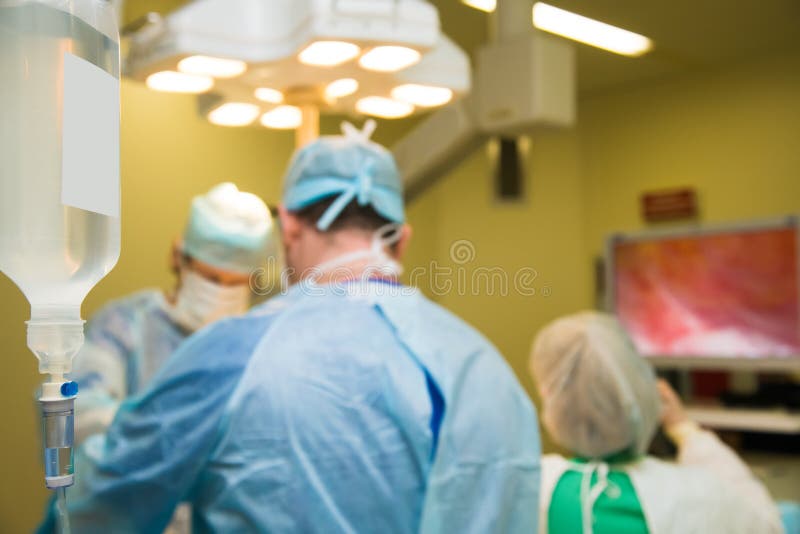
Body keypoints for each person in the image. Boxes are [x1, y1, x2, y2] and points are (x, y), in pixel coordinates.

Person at [39, 122, 541, 533]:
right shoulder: (488, 368)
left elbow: (95, 507)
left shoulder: (235, 353)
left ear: (290, 229)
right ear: (403, 241)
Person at [530, 311, 783, 534]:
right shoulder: (697, 496)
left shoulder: (527, 488)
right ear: (644, 390)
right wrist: (684, 429)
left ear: (552, 401)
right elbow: (767, 526)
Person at [70, 182, 274, 444]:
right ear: (177, 257)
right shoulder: (122, 327)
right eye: (209, 277)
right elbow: (82, 420)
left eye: (235, 283)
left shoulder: (257, 341)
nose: (221, 291)